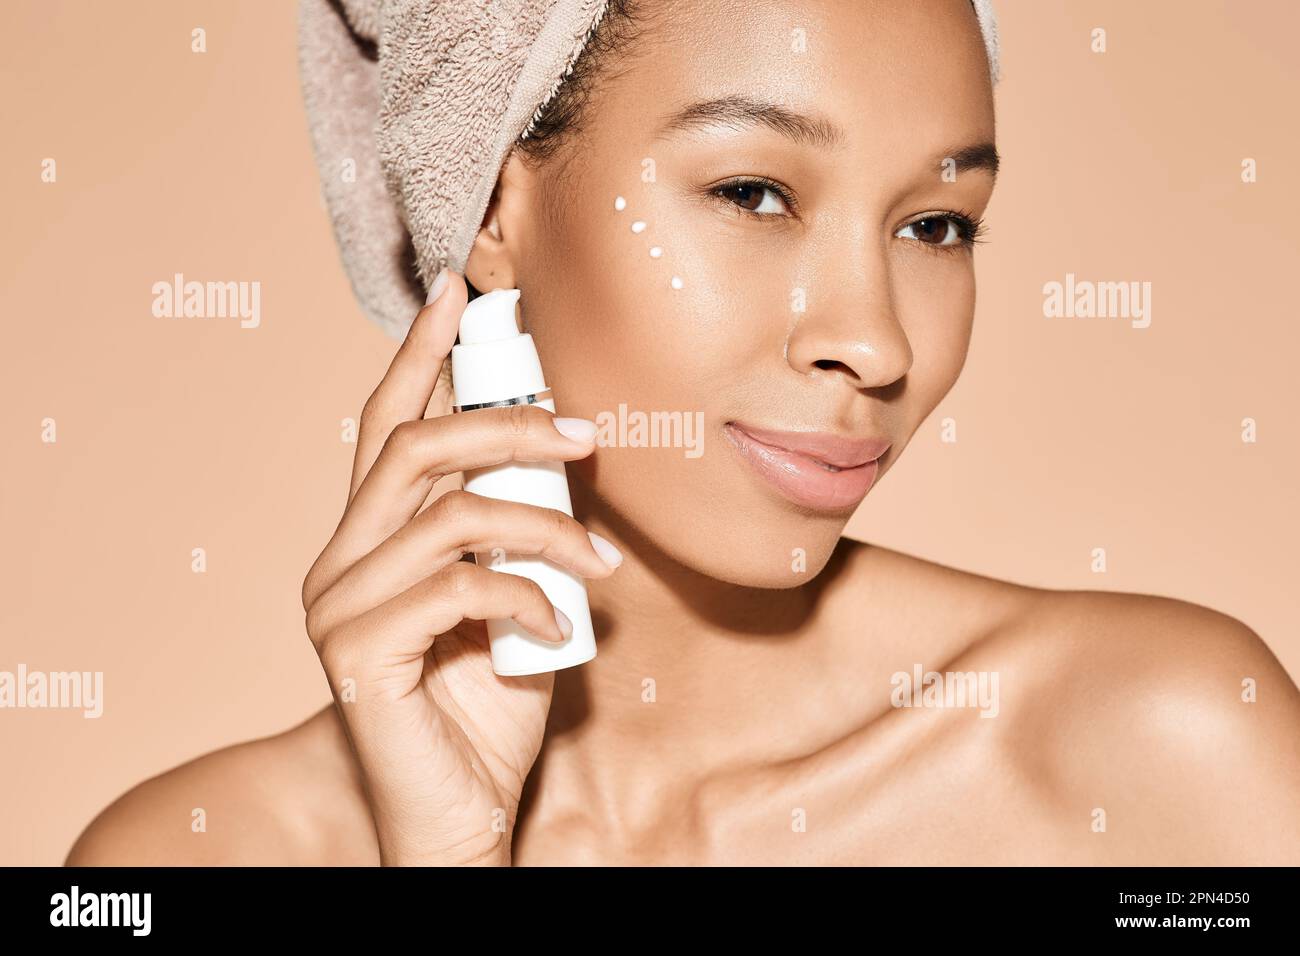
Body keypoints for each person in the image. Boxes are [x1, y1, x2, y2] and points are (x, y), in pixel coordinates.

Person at [66, 0, 1300, 866]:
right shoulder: (191, 856)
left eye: (935, 223)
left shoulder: (1163, 749)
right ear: (493, 206)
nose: (876, 342)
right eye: (753, 192)